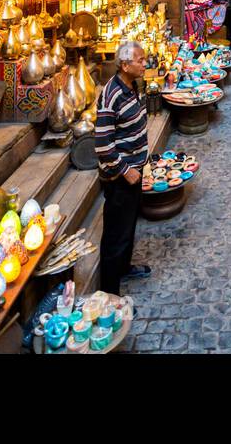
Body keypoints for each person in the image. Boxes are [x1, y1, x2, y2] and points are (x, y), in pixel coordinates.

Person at [95, 40, 152, 294]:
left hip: (135, 171)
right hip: (120, 177)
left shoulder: (132, 86)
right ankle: (109, 294)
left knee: (128, 226)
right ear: (124, 64)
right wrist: (125, 170)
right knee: (115, 235)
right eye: (139, 60)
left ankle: (124, 267)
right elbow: (103, 145)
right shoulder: (111, 95)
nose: (144, 64)